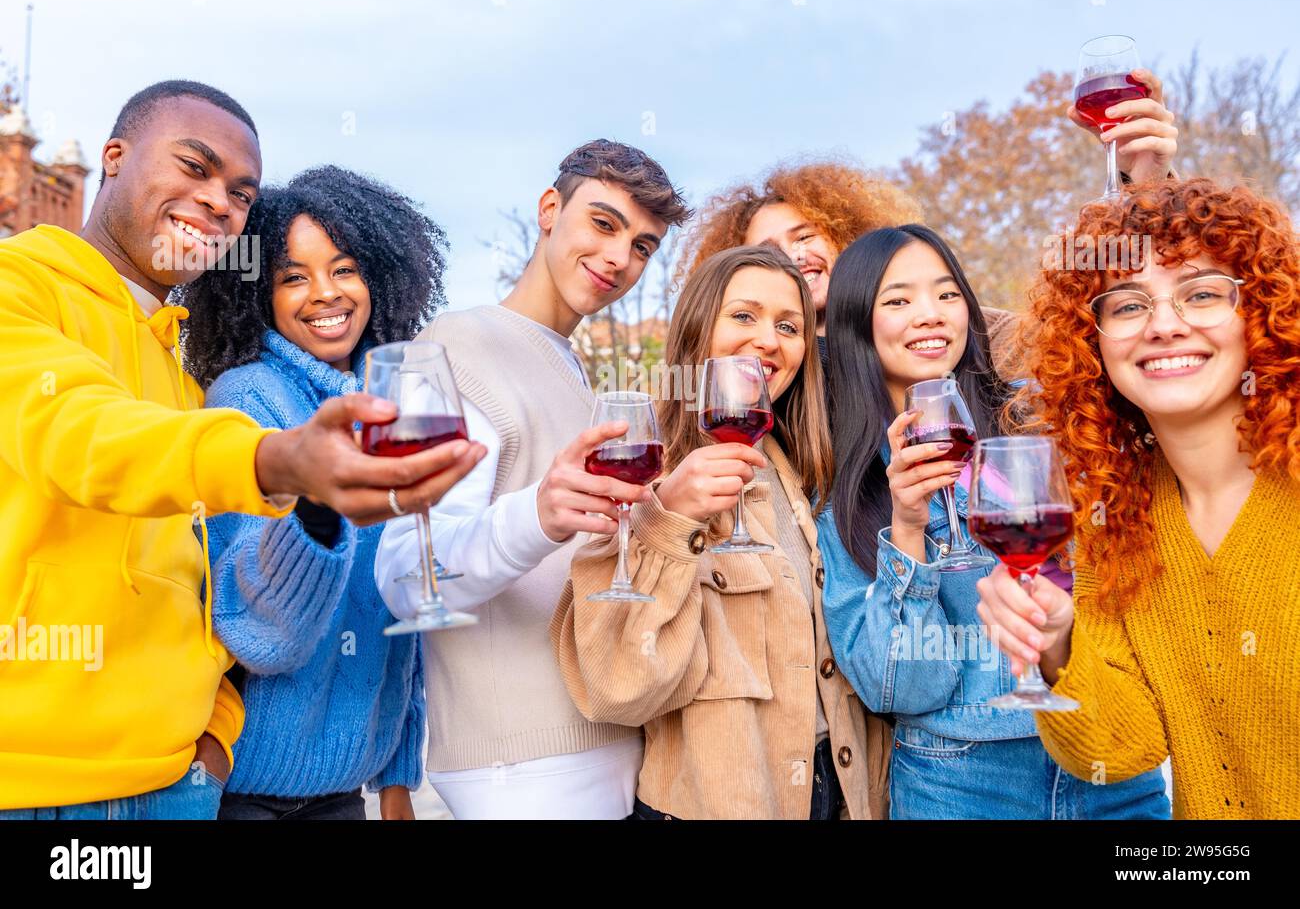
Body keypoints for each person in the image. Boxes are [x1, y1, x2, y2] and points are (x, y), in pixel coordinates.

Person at [0, 81, 479, 819]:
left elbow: (206, 594)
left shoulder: (179, 370)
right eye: (195, 166)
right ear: (114, 157)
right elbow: (82, 436)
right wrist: (281, 465)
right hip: (38, 787)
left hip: (176, 783)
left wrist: (217, 738)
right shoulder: (16, 288)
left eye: (241, 192)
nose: (219, 200)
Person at [375, 139, 692, 819]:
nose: (619, 258)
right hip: (521, 768)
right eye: (603, 224)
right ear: (550, 210)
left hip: (610, 741)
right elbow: (405, 572)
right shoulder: (453, 347)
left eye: (642, 246)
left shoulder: (573, 369)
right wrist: (539, 516)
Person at [817, 224, 1169, 819]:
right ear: (857, 323)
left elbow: (1158, 356)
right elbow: (902, 688)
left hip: (1109, 756)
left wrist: (1146, 178)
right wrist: (907, 527)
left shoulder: (1039, 416)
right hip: (959, 779)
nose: (929, 315)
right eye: (898, 300)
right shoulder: (845, 484)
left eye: (947, 294)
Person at [977, 178, 1300, 819]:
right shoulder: (1113, 517)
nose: (1164, 326)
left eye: (1202, 294)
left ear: (1262, 312)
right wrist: (1056, 646)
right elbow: (1123, 745)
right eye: (1126, 306)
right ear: (1090, 343)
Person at [552, 244, 888, 819]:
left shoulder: (802, 466)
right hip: (722, 800)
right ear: (698, 329)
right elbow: (617, 686)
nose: (767, 340)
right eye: (743, 316)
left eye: (789, 325)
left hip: (843, 794)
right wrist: (671, 516)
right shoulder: (640, 466)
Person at [176, 166, 459, 819]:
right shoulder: (248, 401)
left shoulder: (388, 401)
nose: (324, 294)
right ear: (259, 295)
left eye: (345, 269)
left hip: (346, 791)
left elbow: (397, 607)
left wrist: (396, 775)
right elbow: (259, 632)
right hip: (247, 791)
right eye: (293, 277)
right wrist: (318, 504)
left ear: (378, 277)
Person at [677, 68, 1178, 378]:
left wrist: (1146, 183)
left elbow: (1091, 334)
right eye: (770, 250)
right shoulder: (766, 373)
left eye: (805, 235)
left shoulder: (959, 332)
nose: (794, 257)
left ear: (848, 234)